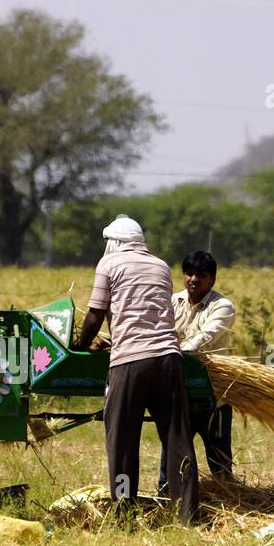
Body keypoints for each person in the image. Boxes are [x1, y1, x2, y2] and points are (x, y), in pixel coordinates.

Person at [76, 215, 198, 524]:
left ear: (114, 243)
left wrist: (79, 345)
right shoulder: (160, 266)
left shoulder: (109, 265)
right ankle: (187, 515)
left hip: (131, 361)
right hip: (169, 360)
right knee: (177, 438)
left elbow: (94, 314)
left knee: (122, 439)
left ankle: (124, 511)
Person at [158, 251, 237, 489]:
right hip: (179, 392)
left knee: (219, 459)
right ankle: (166, 495)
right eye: (189, 273)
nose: (193, 279)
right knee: (173, 454)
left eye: (201, 275)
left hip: (213, 396)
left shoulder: (223, 306)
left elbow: (205, 337)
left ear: (212, 279)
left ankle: (229, 498)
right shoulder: (172, 302)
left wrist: (174, 353)